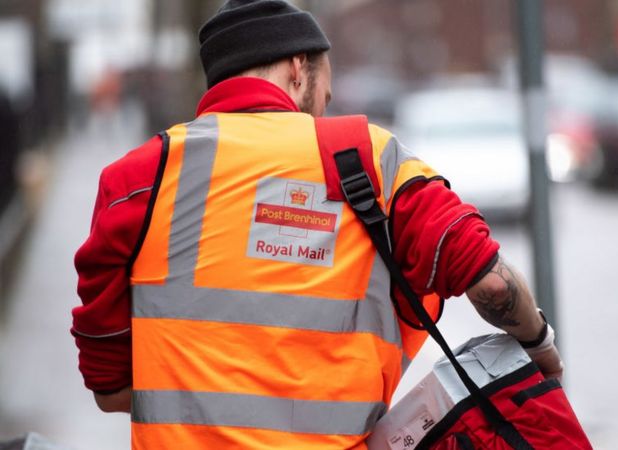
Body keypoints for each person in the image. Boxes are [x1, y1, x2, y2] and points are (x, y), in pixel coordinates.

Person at [71, 1, 564, 448]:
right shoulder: (367, 158)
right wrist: (540, 347)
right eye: (325, 91)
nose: (325, 106)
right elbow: (491, 282)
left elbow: (111, 389)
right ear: (297, 69)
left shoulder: (140, 178)